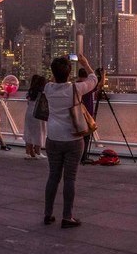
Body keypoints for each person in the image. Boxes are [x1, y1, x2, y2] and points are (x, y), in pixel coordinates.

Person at [39, 55, 97, 228]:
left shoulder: (48, 88)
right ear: (69, 72)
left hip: (53, 138)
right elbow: (94, 79)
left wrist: (58, 67)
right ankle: (67, 216)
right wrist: (85, 63)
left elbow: (52, 78)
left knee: (53, 177)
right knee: (69, 179)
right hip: (73, 138)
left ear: (53, 72)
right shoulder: (75, 89)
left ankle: (48, 214)